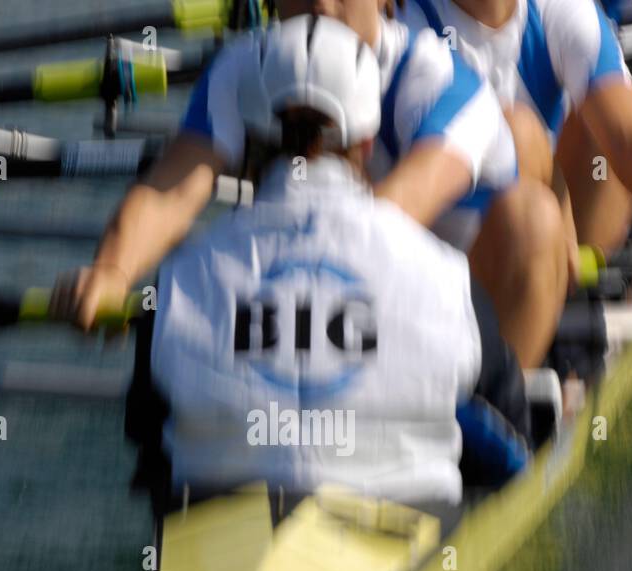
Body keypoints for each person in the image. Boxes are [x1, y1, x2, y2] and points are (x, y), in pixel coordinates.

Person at [52, 0, 568, 370]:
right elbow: (173, 189)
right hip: (341, 302)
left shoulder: (437, 80)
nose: (322, 7)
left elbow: (388, 218)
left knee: (534, 219)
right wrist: (114, 270)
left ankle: (498, 414)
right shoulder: (243, 65)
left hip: (457, 304)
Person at [147, 15, 483, 505]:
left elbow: (147, 421)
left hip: (216, 513)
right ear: (367, 143)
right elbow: (495, 401)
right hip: (408, 510)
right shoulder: (444, 273)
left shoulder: (179, 277)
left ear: (250, 143)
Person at [399, 0, 632, 274]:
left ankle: (586, 279)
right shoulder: (399, 18)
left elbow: (627, 137)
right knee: (522, 137)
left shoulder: (563, 10)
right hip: (425, 237)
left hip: (631, 53)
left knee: (597, 133)